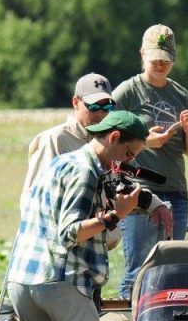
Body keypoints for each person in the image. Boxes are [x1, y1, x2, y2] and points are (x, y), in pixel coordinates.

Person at [5, 110, 149, 321]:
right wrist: (116, 215)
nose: (128, 161)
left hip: (23, 278)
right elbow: (70, 232)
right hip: (59, 280)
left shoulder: (62, 161)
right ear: (113, 137)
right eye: (128, 153)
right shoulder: (86, 171)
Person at [19, 72, 172, 240]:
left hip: (94, 243)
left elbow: (117, 182)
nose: (100, 113)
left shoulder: (108, 140)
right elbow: (35, 197)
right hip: (64, 246)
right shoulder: (55, 139)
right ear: (76, 102)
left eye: (107, 107)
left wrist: (155, 204)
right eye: (94, 106)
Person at [113, 24, 188, 299]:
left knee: (171, 268)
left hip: (176, 189)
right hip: (139, 188)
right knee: (139, 267)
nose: (160, 65)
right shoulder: (128, 92)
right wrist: (146, 142)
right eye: (155, 59)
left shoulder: (182, 94)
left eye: (166, 60)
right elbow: (109, 140)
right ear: (142, 54)